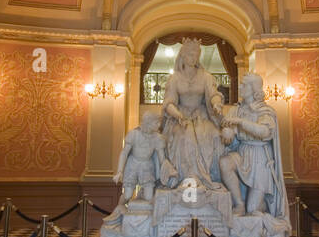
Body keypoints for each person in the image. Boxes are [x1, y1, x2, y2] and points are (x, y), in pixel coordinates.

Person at [219, 73, 289, 223]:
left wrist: (240, 122)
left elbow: (265, 132)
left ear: (253, 88)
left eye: (244, 85)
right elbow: (231, 138)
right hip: (242, 152)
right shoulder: (236, 109)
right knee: (225, 162)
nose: (240, 87)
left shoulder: (264, 110)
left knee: (253, 210)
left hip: (260, 159)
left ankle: (259, 205)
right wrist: (228, 134)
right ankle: (239, 204)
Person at [161, 39, 226, 189]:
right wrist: (177, 115)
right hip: (180, 117)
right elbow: (169, 103)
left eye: (196, 54)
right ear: (182, 55)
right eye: (190, 54)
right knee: (186, 135)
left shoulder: (206, 76)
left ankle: (209, 176)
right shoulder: (175, 78)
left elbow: (213, 94)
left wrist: (216, 104)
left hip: (201, 116)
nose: (193, 57)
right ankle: (188, 177)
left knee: (215, 135)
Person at [112, 111, 172, 204]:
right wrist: (119, 171)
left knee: (149, 197)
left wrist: (167, 171)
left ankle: (142, 214)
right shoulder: (134, 134)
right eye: (156, 122)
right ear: (148, 123)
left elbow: (162, 159)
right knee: (127, 195)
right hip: (132, 164)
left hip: (147, 165)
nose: (159, 125)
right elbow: (124, 153)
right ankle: (119, 208)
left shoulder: (157, 138)